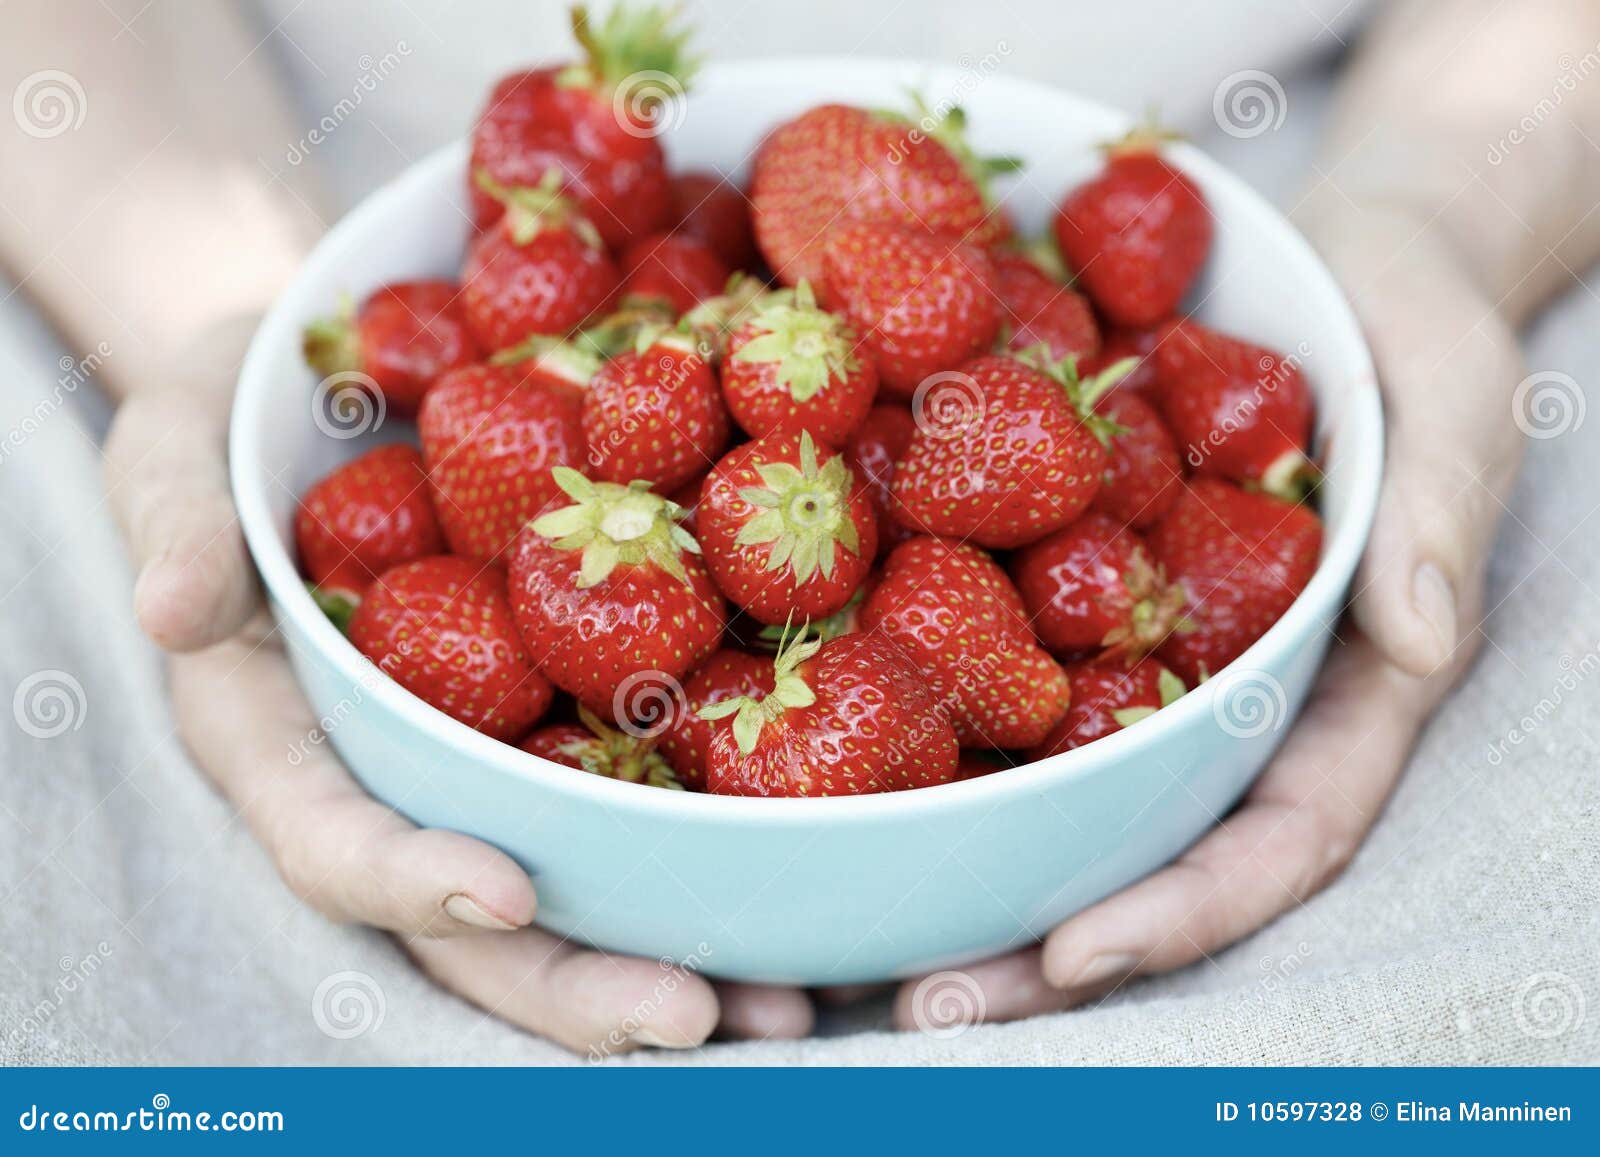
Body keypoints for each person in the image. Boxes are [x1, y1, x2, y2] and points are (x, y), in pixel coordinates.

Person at [1, 0, 1594, 1061]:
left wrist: (1448, 201)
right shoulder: (655, 385)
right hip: (260, 198)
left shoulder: (940, 355)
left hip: (1334, 172)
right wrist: (205, 299)